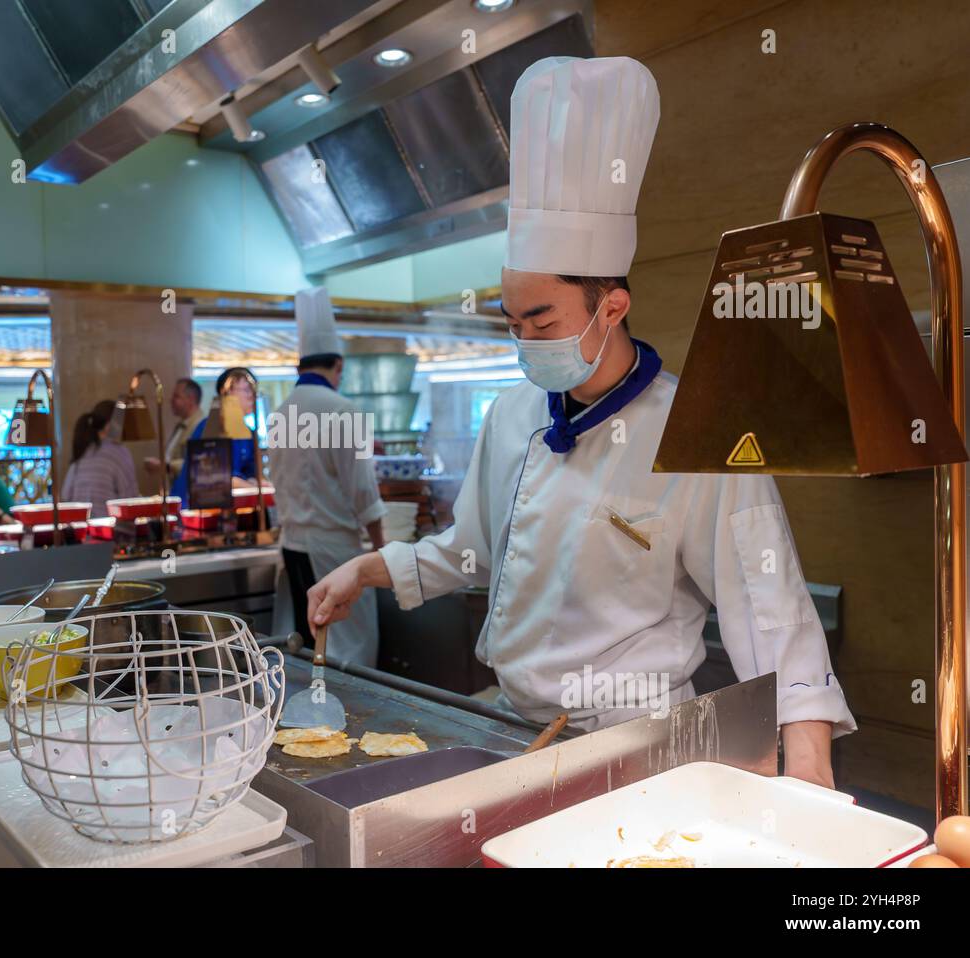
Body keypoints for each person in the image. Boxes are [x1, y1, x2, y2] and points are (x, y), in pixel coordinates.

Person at [306, 55, 853, 788]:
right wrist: (361, 570)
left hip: (638, 749)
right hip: (514, 725)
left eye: (542, 320)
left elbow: (772, 607)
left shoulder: (695, 431)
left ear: (611, 307)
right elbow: (468, 552)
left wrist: (809, 774)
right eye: (512, 324)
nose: (526, 342)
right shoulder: (510, 416)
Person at [270, 287, 386, 666]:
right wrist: (384, 550)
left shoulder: (280, 414)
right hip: (334, 550)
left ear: (298, 368)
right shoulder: (344, 410)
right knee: (348, 651)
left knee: (306, 644)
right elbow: (363, 494)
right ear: (339, 367)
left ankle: (307, 718)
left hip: (292, 546)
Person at [170, 368, 259, 508]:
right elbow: (218, 478)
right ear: (228, 393)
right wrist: (255, 489)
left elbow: (251, 470)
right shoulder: (211, 427)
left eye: (253, 391)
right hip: (194, 510)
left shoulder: (247, 432)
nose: (252, 397)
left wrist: (255, 482)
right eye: (246, 390)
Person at [61, 400, 139, 517]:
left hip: (82, 530)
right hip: (112, 530)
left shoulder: (82, 452)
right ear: (109, 425)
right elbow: (130, 499)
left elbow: (66, 496)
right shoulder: (119, 452)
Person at [144, 378, 203, 480]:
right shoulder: (180, 425)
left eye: (177, 396)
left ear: (191, 399)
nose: (171, 400)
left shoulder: (201, 425)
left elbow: (197, 463)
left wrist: (165, 466)